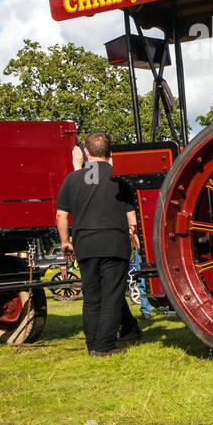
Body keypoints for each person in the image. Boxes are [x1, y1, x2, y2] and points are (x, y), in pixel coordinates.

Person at [56, 131, 143, 355]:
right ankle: (104, 347)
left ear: (86, 152)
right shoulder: (119, 177)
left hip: (85, 243)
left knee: (91, 297)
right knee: (112, 297)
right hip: (114, 242)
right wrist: (136, 238)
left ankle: (92, 345)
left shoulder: (72, 178)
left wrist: (65, 242)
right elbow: (130, 216)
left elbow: (61, 215)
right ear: (110, 153)